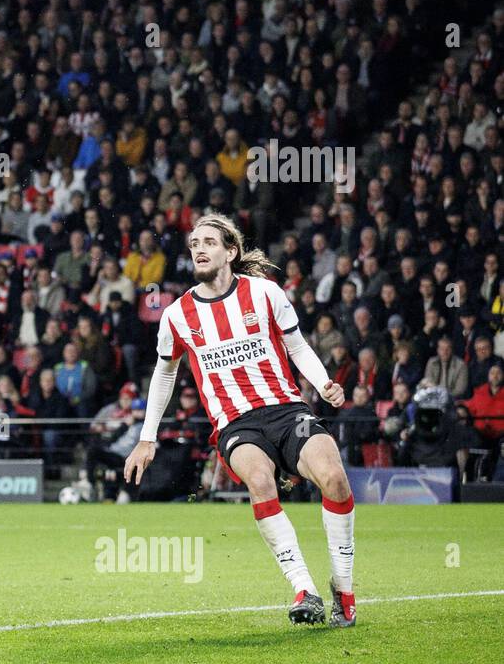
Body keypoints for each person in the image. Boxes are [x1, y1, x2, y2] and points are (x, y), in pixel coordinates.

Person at [123, 213, 357, 627]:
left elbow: (298, 346)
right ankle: (305, 589)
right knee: (261, 480)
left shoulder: (265, 293)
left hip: (288, 412)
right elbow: (165, 373)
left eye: (209, 242)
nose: (198, 248)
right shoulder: (177, 315)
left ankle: (344, 588)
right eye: (194, 242)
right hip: (237, 425)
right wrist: (147, 438)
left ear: (230, 252)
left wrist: (323, 385)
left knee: (335, 478)